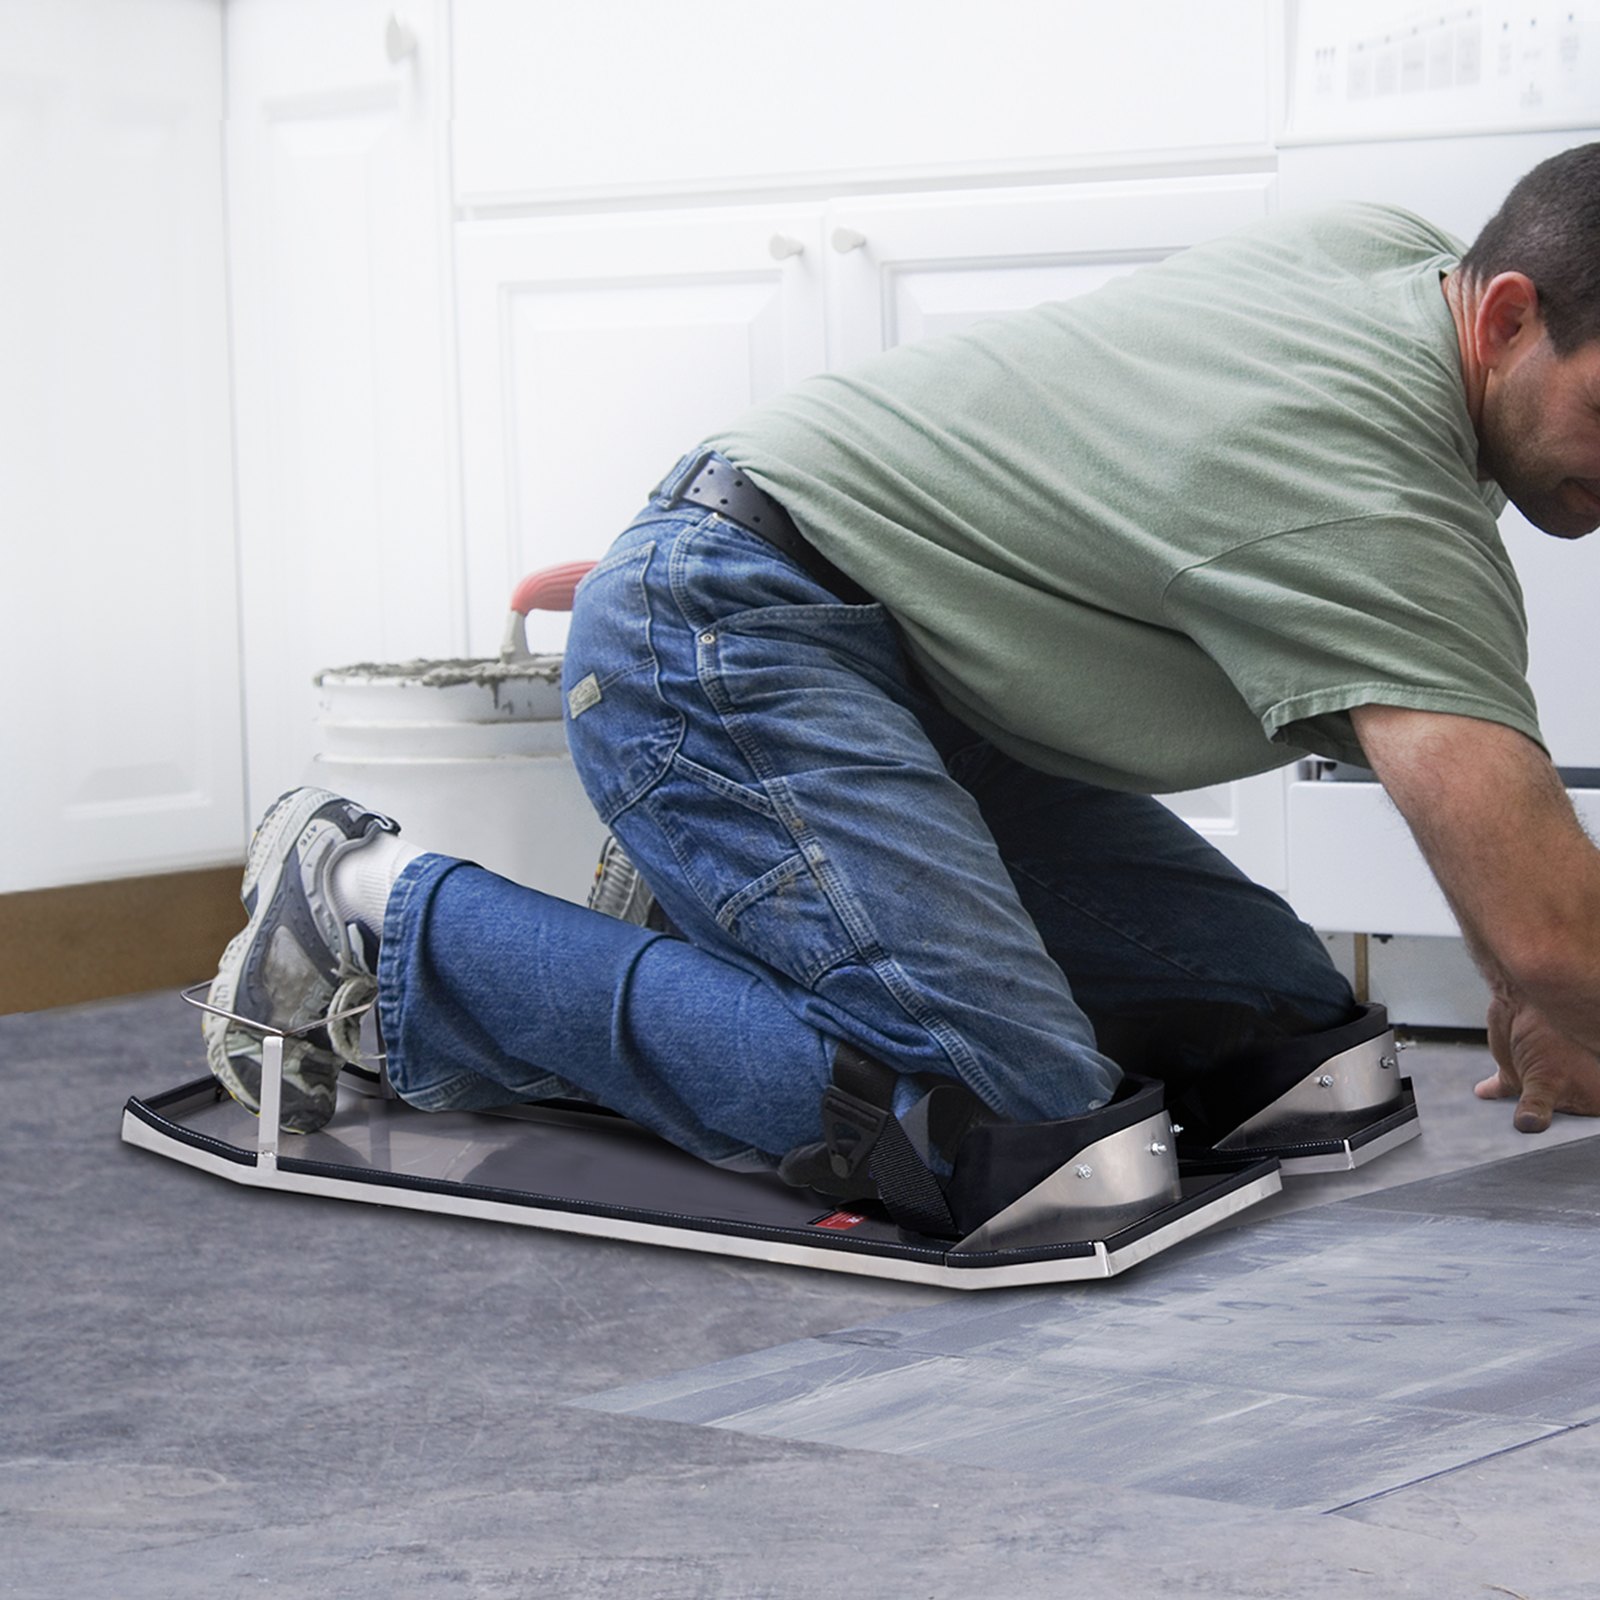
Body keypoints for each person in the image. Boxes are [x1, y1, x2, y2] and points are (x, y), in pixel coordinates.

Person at [202, 144, 1600, 1220]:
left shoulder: (1403, 260)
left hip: (916, 655)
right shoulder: (1373, 495)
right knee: (1011, 1133)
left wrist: (1548, 970)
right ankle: (379, 921)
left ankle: (746, 874)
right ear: (1507, 318)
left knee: (1299, 1052)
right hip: (736, 627)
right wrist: (1547, 977)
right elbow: (1547, 933)